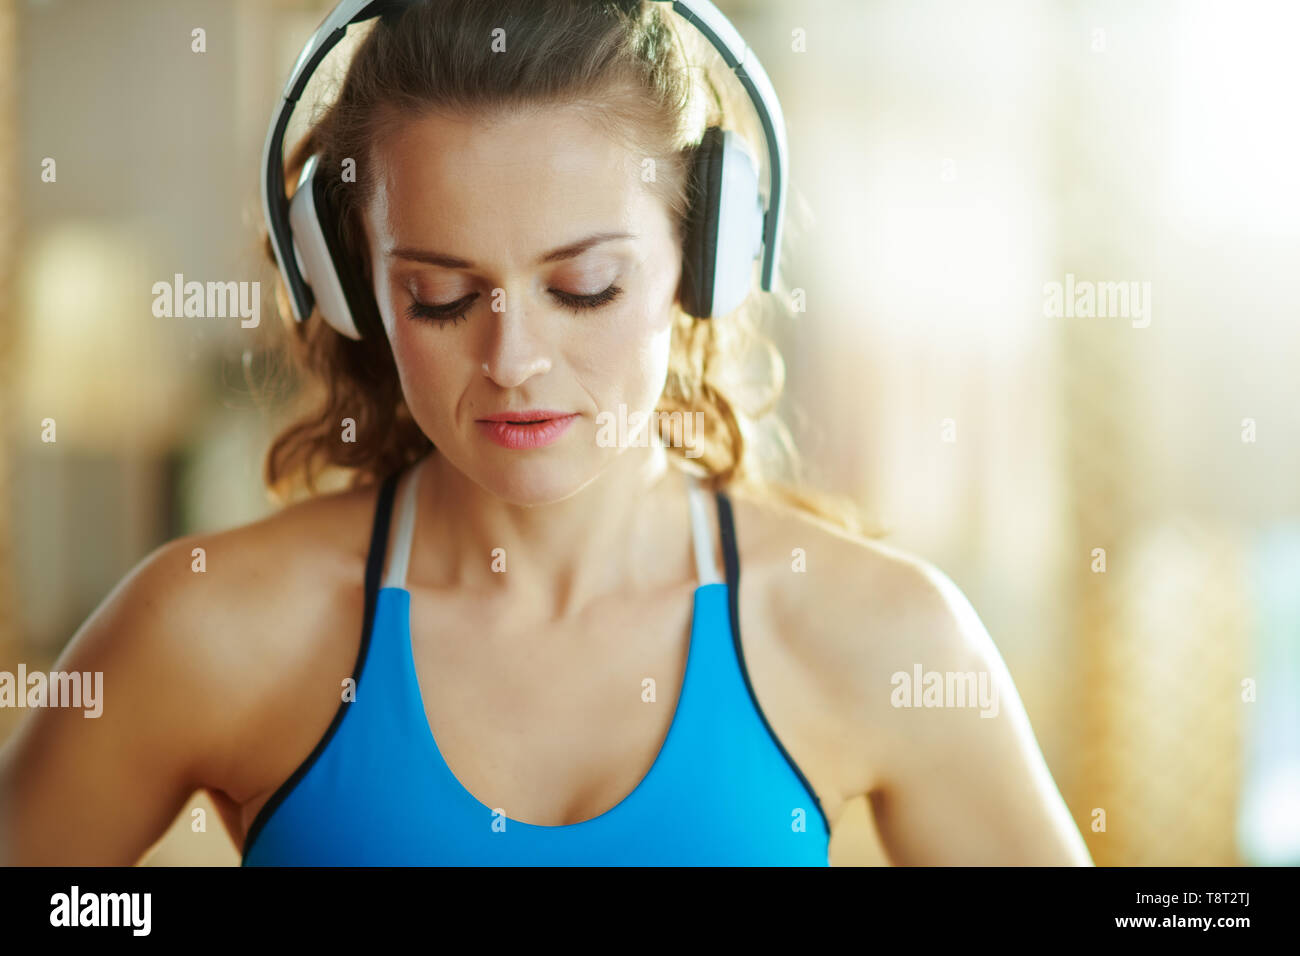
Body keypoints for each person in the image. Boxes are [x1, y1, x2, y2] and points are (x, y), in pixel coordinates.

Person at [0, 0, 1092, 866]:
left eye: (584, 285)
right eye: (437, 294)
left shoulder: (883, 633)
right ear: (344, 285)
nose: (512, 357)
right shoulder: (204, 624)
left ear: (703, 258)